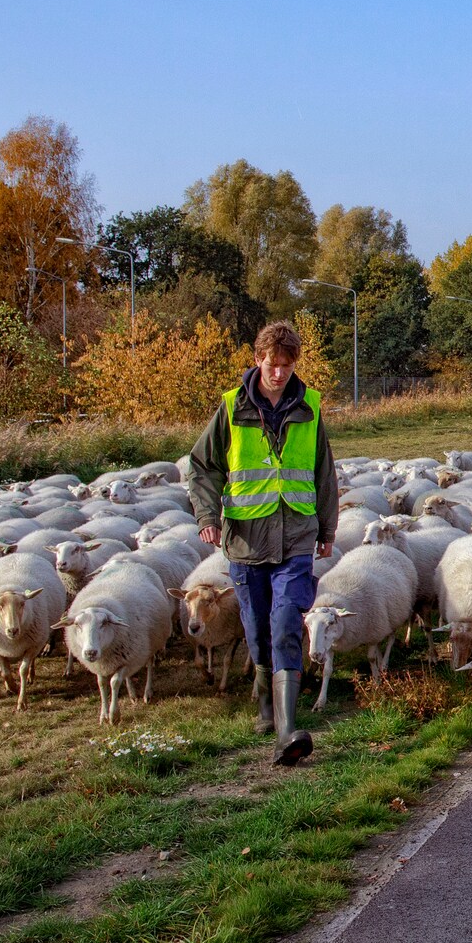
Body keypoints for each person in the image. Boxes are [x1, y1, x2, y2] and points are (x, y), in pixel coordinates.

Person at [187, 321, 338, 767]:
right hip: (246, 538)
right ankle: (267, 704)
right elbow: (202, 465)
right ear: (258, 360)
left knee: (288, 617)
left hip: (295, 532)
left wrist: (327, 529)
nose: (279, 374)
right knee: (256, 628)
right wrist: (207, 515)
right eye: (273, 365)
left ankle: (288, 729)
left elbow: (322, 470)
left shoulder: (309, 406)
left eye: (287, 366)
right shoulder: (232, 407)